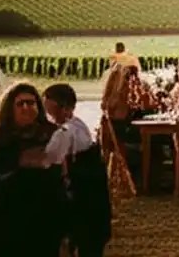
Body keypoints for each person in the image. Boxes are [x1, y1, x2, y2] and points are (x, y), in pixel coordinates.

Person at [0, 83, 69, 256]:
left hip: (45, 221)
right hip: (7, 223)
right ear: (10, 109)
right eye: (20, 104)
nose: (26, 108)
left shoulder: (52, 136)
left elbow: (63, 175)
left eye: (31, 103)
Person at [43, 84, 111, 257]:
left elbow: (50, 160)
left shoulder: (65, 132)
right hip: (93, 191)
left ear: (64, 109)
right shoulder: (79, 125)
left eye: (49, 110)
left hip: (80, 193)